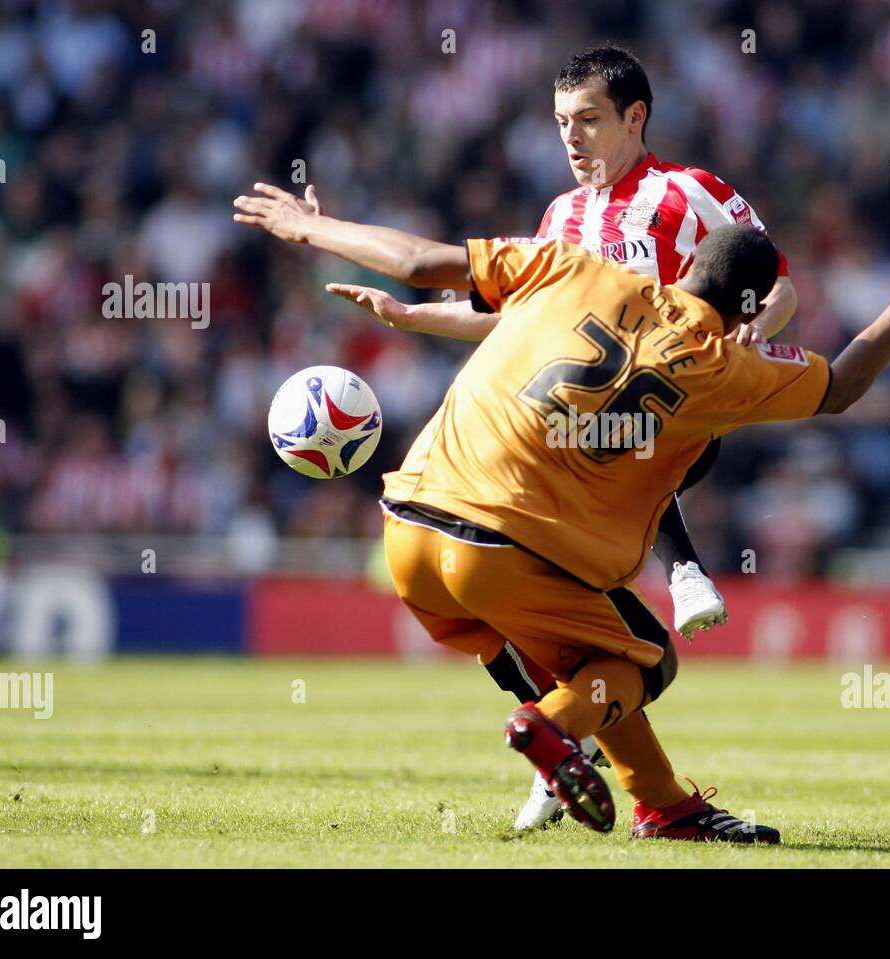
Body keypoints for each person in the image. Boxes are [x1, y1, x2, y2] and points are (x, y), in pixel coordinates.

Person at [233, 177, 890, 839]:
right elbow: (846, 385)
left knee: (603, 646)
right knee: (647, 656)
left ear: (687, 267)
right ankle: (551, 728)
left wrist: (308, 228)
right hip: (504, 553)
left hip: (408, 530)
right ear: (751, 307)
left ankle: (664, 804)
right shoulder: (728, 368)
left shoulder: (572, 266)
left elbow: (418, 262)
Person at [235, 44, 800, 830]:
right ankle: (588, 746)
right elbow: (515, 323)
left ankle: (671, 595)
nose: (571, 137)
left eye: (589, 120)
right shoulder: (560, 219)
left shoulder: (690, 192)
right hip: (555, 460)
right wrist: (412, 317)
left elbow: (776, 280)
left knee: (619, 493)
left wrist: (753, 329)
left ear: (635, 117)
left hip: (654, 418)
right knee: (597, 636)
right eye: (562, 121)